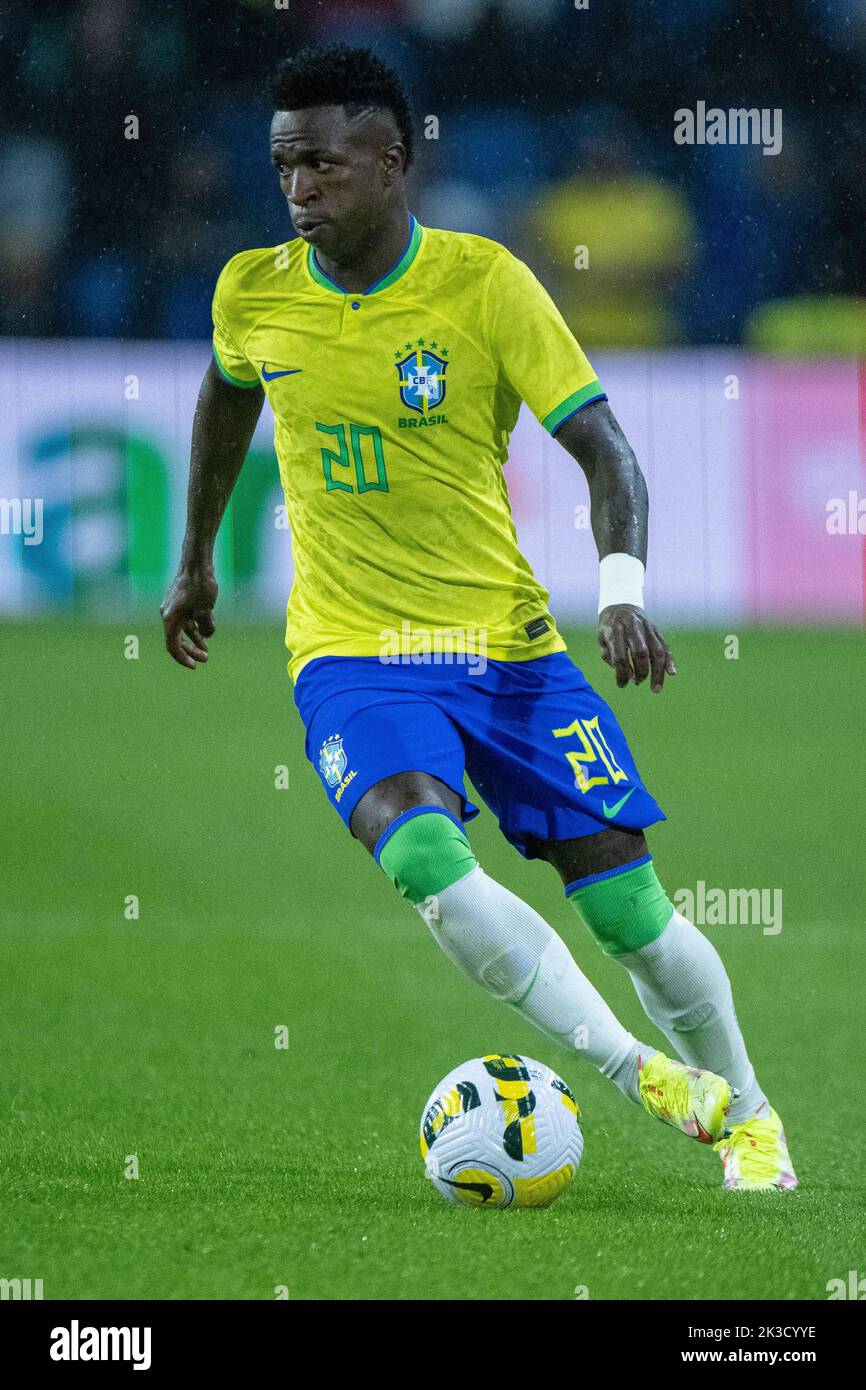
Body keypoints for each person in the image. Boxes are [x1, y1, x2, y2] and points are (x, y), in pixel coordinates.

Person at [161, 45, 795, 1191]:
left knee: (631, 911)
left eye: (322, 164)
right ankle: (633, 1070)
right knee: (417, 847)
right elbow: (224, 394)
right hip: (354, 654)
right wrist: (195, 559)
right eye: (282, 166)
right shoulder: (251, 289)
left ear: (391, 161)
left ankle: (748, 1113)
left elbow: (604, 449)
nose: (299, 188)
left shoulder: (484, 282)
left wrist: (618, 595)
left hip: (504, 653)